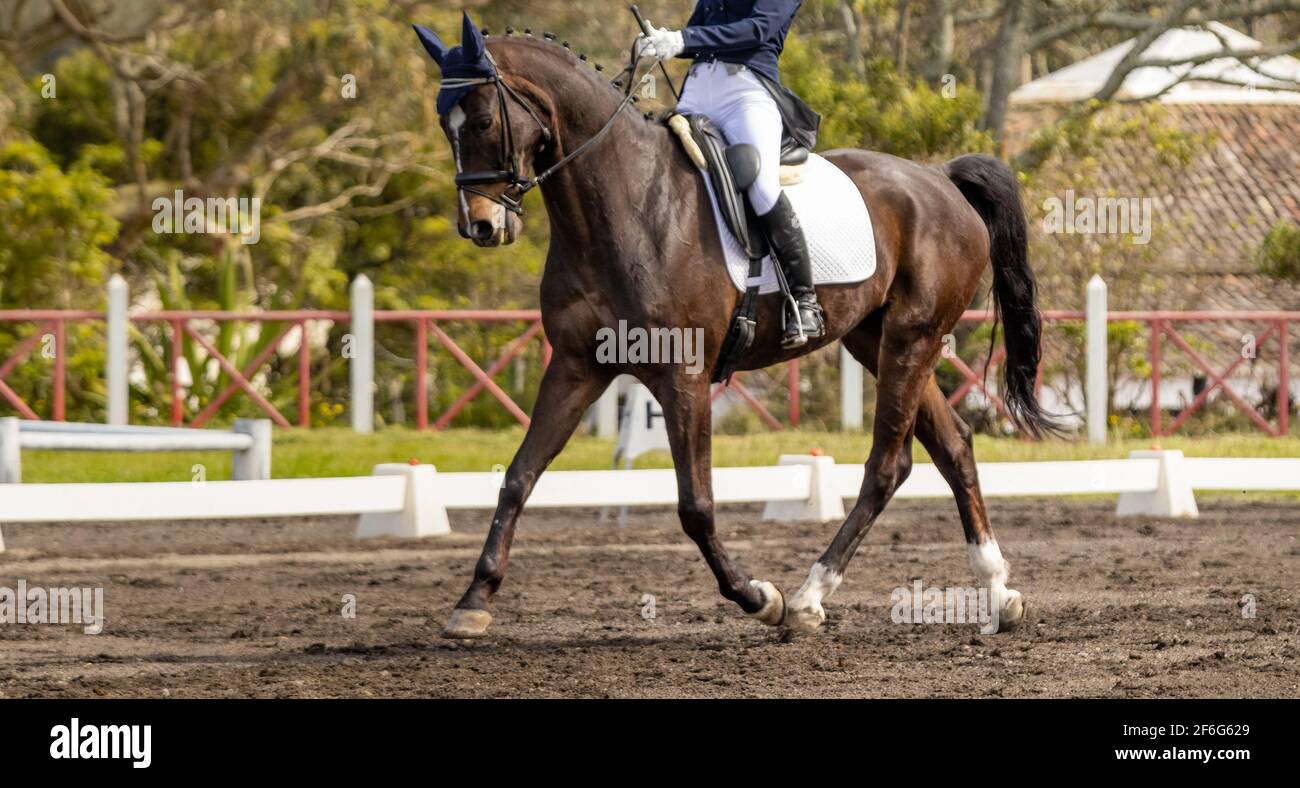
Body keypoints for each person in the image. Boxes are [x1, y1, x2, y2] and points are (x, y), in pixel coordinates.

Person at [638, 1, 824, 348]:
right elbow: (696, 33)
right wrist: (661, 41)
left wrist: (681, 38)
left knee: (761, 184)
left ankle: (804, 300)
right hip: (697, 90)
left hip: (747, 92)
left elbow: (758, 30)